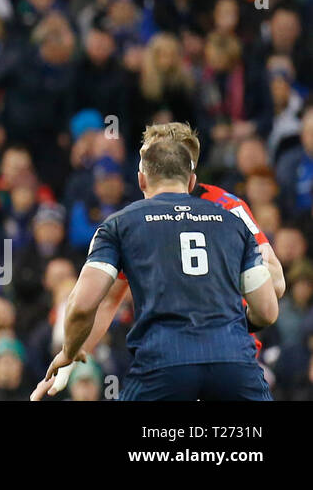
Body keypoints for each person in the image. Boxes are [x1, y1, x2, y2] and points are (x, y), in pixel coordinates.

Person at [31, 120, 287, 399]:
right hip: (230, 358)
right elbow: (109, 301)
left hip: (171, 359)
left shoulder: (223, 208)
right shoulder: (228, 217)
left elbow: (276, 282)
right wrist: (73, 358)